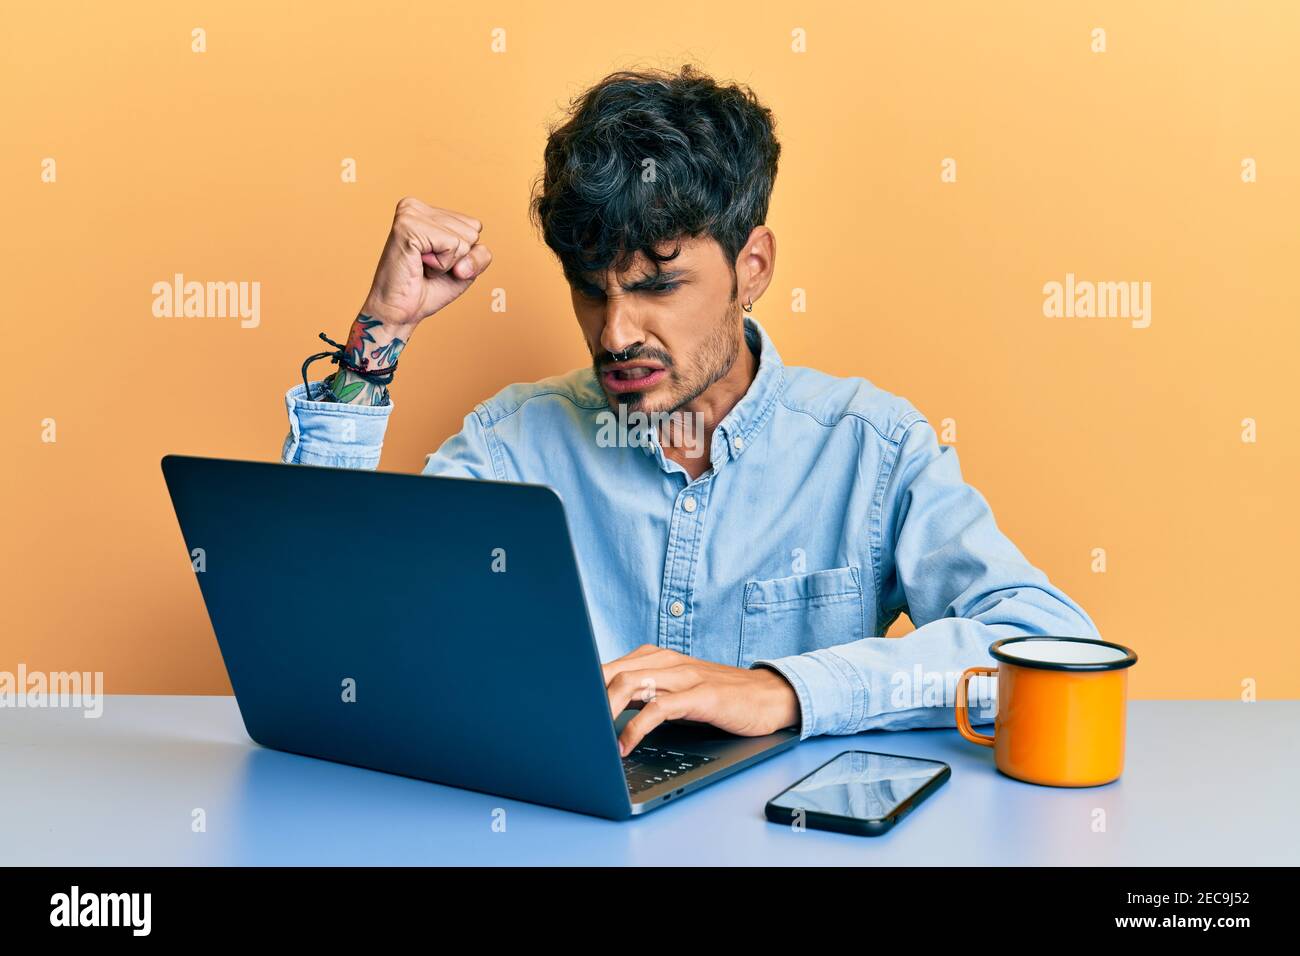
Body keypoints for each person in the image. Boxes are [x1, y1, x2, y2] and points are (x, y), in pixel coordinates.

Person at [280, 65, 1099, 757]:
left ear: (753, 266)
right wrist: (380, 334)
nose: (616, 332)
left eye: (656, 285)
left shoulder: (869, 449)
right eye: (590, 289)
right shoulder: (512, 449)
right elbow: (324, 640)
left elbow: (1049, 646)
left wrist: (783, 690)